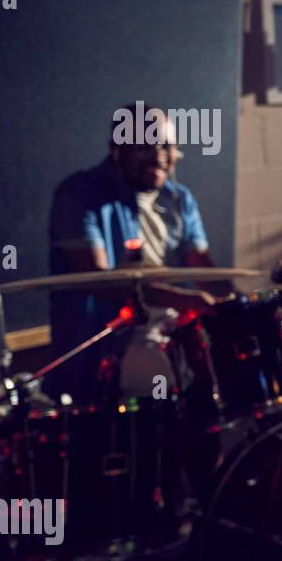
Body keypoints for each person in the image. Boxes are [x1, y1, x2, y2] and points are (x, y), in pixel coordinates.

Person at [46, 104, 223, 401]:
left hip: (171, 328)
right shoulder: (79, 194)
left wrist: (238, 303)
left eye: (167, 146)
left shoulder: (179, 199)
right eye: (144, 146)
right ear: (117, 149)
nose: (159, 156)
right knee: (165, 385)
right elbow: (102, 283)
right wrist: (186, 300)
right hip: (109, 342)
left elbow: (202, 265)